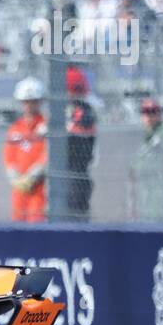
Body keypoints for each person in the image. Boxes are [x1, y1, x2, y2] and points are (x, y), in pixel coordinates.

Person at [5, 76, 48, 223]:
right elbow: (9, 157)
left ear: (40, 102)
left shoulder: (46, 127)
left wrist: (32, 176)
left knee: (37, 224)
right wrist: (15, 179)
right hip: (19, 188)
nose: (29, 105)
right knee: (18, 227)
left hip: (39, 188)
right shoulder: (15, 128)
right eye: (25, 101)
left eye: (33, 101)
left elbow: (47, 155)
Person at [129, 98, 163, 221]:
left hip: (160, 179)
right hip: (145, 181)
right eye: (145, 111)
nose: (149, 115)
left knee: (158, 214)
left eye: (153, 111)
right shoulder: (144, 133)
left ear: (159, 114)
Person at [65, 66, 98, 221]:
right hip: (63, 174)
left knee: (76, 217)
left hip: (77, 174)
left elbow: (80, 135)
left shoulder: (85, 111)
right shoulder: (66, 110)